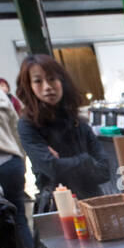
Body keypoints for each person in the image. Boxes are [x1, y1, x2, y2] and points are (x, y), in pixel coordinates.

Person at [16, 54, 111, 212]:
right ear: (29, 86)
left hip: (94, 203)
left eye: (52, 78)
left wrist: (65, 164)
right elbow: (51, 168)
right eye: (38, 81)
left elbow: (105, 171)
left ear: (62, 81)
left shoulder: (78, 122)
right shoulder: (27, 125)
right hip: (58, 207)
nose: (47, 87)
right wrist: (86, 160)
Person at [0, 82, 43, 248]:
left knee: (1, 227)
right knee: (19, 219)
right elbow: (16, 127)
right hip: (13, 162)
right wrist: (21, 158)